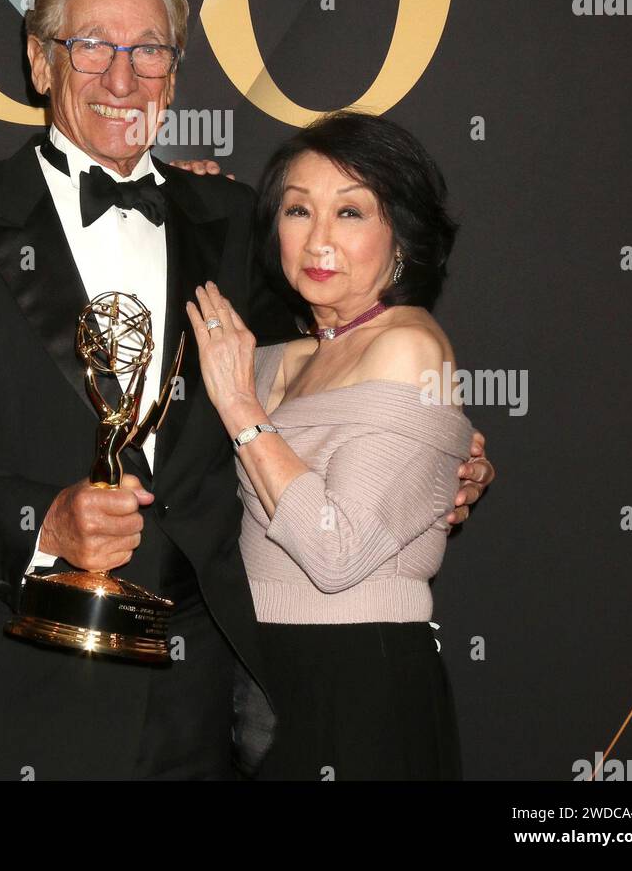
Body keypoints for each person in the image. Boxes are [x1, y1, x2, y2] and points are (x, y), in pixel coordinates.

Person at [0, 0, 494, 780]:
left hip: (206, 702)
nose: (122, 77)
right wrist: (39, 523)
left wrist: (437, 452)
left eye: (148, 50)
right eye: (91, 46)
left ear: (173, 74)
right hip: (17, 689)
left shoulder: (239, 222)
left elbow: (335, 373)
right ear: (40, 61)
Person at [187, 110, 476, 779]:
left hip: (355, 680)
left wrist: (240, 409)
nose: (319, 239)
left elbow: (336, 553)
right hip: (252, 675)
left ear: (401, 235)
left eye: (350, 212)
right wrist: (185, 198)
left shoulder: (409, 348)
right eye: (298, 210)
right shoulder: (278, 358)